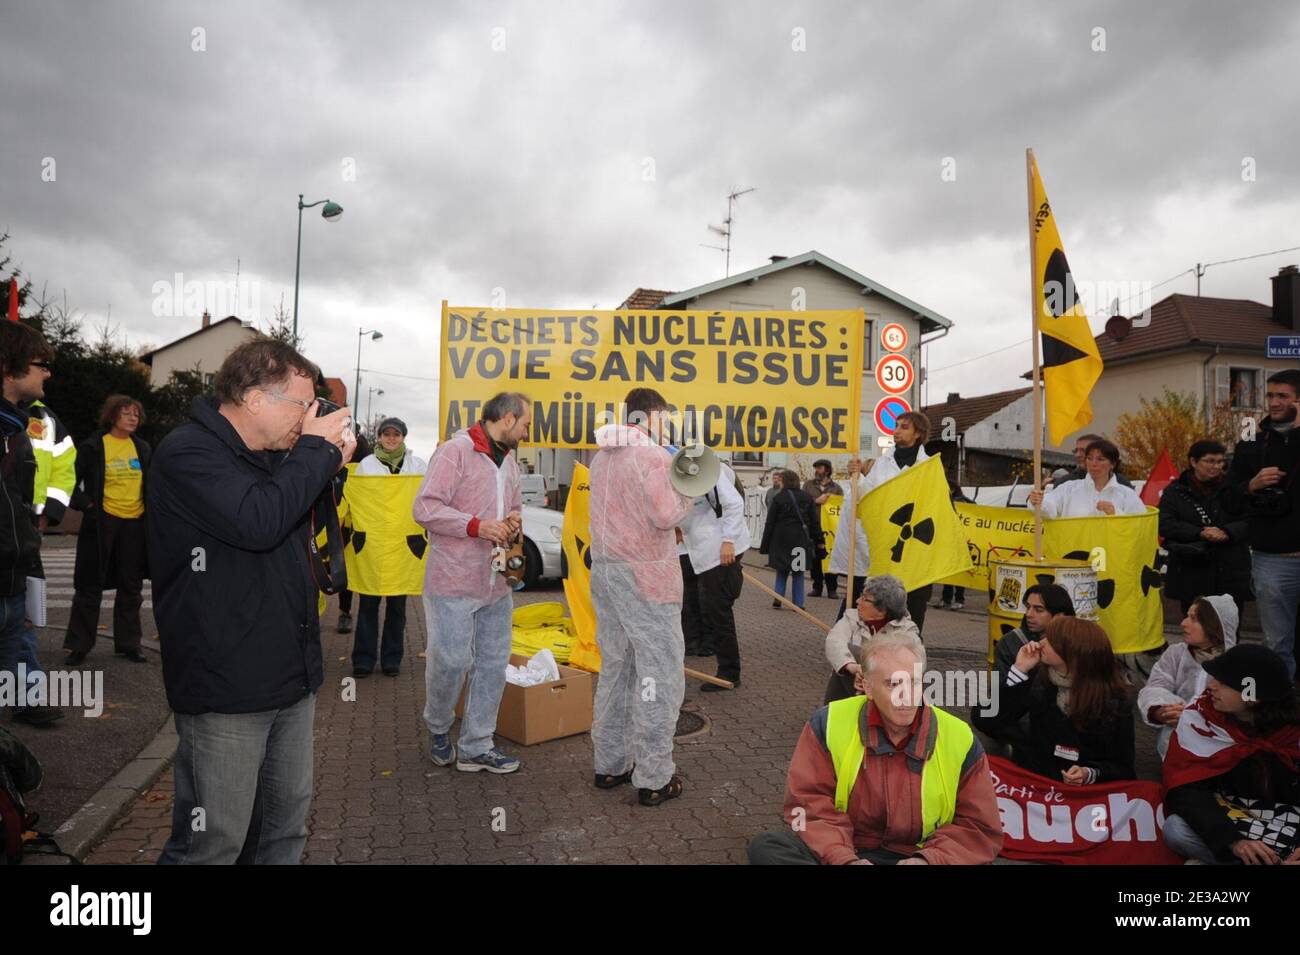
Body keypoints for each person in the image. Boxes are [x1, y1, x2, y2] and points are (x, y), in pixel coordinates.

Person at [149, 338, 355, 863]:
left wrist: (326, 468)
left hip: (290, 676)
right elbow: (258, 523)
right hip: (226, 686)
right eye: (301, 406)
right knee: (212, 843)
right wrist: (315, 453)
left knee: (283, 834)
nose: (308, 419)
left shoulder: (273, 457)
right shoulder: (188, 454)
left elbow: (289, 522)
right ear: (254, 398)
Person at [747, 630, 1003, 864]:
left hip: (918, 853)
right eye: (893, 684)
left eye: (913, 682)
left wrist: (928, 860)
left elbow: (980, 828)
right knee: (768, 846)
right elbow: (805, 806)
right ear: (867, 686)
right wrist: (843, 858)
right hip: (849, 848)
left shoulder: (959, 737)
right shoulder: (828, 722)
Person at [588, 388, 693, 806]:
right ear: (652, 414)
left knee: (616, 667)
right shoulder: (652, 457)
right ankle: (653, 776)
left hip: (607, 572)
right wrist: (687, 495)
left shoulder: (601, 457)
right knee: (659, 675)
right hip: (648, 577)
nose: (666, 424)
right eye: (664, 417)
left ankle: (610, 764)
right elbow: (665, 515)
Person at [415, 392, 528, 775]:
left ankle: (477, 744)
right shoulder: (455, 451)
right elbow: (425, 508)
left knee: (494, 663)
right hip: (453, 577)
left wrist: (511, 520)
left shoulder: (509, 462)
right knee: (451, 661)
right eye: (525, 424)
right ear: (509, 418)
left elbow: (514, 505)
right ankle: (438, 727)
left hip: (496, 581)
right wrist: (477, 526)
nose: (526, 432)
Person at [1162, 645, 1300, 865]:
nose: (1211, 687)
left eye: (1224, 683)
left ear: (1252, 696)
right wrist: (1234, 842)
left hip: (1290, 825)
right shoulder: (1202, 721)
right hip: (1236, 818)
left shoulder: (1293, 733)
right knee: (1175, 829)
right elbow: (1185, 790)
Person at [973, 616, 1135, 784]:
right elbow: (984, 720)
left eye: (1050, 640)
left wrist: (1090, 773)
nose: (1041, 643)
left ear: (1073, 652)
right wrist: (1019, 671)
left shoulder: (1114, 700)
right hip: (1034, 784)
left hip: (1085, 799)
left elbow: (1123, 768)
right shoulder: (1036, 679)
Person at [0, 322, 63, 726]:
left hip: (12, 587)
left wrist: (26, 584)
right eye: (41, 363)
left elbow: (20, 511)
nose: (48, 372)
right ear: (8, 366)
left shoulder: (19, 431)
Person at [63, 395, 151, 665]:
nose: (133, 417)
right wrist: (87, 505)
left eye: (136, 414)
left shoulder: (143, 448)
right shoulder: (94, 446)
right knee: (90, 584)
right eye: (127, 413)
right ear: (113, 416)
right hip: (102, 522)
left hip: (134, 523)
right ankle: (79, 646)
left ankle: (129, 644)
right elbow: (69, 478)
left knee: (131, 586)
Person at [1224, 368, 1300, 678]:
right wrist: (1251, 486)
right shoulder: (1251, 439)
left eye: (1283, 396)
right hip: (1273, 558)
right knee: (1277, 642)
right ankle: (1281, 711)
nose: (1274, 402)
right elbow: (1227, 499)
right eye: (1270, 395)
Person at [830, 411, 936, 630]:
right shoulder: (881, 464)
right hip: (881, 545)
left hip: (914, 549)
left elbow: (935, 505)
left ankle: (907, 655)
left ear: (919, 434)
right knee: (866, 600)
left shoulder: (929, 467)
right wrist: (857, 478)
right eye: (896, 426)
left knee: (911, 610)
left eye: (904, 427)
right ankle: (850, 650)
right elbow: (868, 500)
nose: (896, 430)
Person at [350, 417, 426, 678]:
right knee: (368, 606)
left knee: (397, 608)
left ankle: (392, 659)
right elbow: (356, 501)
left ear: (404, 437)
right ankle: (363, 660)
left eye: (396, 434)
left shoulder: (418, 466)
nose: (391, 438)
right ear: (379, 437)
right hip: (373, 545)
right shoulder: (365, 466)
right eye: (386, 434)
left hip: (403, 547)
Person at [678, 459, 749, 689]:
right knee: (714, 609)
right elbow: (689, 515)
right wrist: (678, 529)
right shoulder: (681, 480)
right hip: (707, 555)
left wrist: (728, 541)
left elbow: (735, 505)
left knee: (719, 612)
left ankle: (729, 673)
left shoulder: (712, 475)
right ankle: (728, 669)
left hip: (722, 552)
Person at [1159, 440, 1252, 617]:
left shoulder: (1234, 488)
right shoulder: (1175, 491)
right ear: (1193, 462)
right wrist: (1199, 533)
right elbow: (1165, 524)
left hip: (1230, 570)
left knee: (1228, 628)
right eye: (1210, 461)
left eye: (1220, 461)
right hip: (1190, 570)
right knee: (1195, 624)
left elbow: (1249, 520)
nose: (1216, 466)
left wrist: (1227, 532)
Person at [1138, 595, 1236, 759]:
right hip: (1176, 748)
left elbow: (1250, 704)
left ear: (1214, 625)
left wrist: (1196, 715)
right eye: (1187, 616)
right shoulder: (1176, 653)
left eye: (1194, 619)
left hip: (1224, 750)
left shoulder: (1241, 662)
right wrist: (1162, 710)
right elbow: (1155, 687)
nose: (1183, 623)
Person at [823, 574, 919, 704]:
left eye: (864, 599)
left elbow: (910, 667)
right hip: (851, 683)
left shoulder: (907, 630)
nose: (858, 601)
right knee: (850, 656)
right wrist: (853, 668)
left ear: (882, 610)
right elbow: (834, 641)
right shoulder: (851, 617)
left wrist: (870, 675)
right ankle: (833, 716)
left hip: (889, 691)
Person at [1028, 437, 1146, 518]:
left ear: (1112, 464)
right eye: (1089, 458)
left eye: (1100, 459)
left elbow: (1139, 524)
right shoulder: (1068, 488)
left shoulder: (1126, 494)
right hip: (1073, 553)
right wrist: (1038, 502)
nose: (1094, 463)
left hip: (1112, 553)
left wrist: (1116, 514)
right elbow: (1049, 508)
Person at [760, 469, 820, 610]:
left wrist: (765, 545)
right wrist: (819, 540)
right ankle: (798, 603)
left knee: (782, 570)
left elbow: (770, 522)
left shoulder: (779, 498)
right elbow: (814, 522)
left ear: (785, 482)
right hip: (799, 539)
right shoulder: (807, 498)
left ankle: (778, 598)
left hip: (781, 539)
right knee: (798, 572)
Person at [334, 429, 372, 636]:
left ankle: (345, 613)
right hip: (341, 518)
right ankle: (344, 611)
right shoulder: (337, 440)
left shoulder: (361, 443)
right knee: (343, 566)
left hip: (357, 519)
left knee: (349, 566)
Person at [27, 398, 76, 532]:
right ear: (10, 376)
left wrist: (48, 514)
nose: (47, 375)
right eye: (37, 374)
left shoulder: (45, 417)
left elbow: (63, 471)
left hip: (30, 521)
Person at [802, 459, 844, 599]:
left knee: (832, 558)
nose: (817, 471)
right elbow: (802, 503)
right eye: (816, 468)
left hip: (831, 530)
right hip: (814, 528)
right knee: (816, 559)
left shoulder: (836, 488)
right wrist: (815, 501)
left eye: (819, 468)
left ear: (827, 470)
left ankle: (832, 588)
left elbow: (841, 506)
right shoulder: (808, 485)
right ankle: (817, 586)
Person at [934, 479, 972, 610]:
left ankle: (959, 599)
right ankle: (946, 598)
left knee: (959, 574)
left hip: (961, 543)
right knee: (948, 573)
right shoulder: (945, 501)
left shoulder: (963, 502)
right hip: (949, 541)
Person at [1050, 433, 1135, 488]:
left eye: (1083, 450)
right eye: (1076, 450)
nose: (1078, 455)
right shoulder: (1065, 484)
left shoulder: (1121, 484)